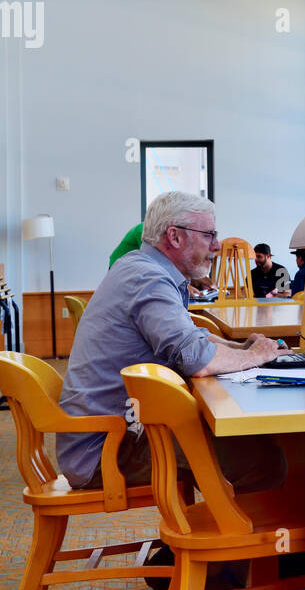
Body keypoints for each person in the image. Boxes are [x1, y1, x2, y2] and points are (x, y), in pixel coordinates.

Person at [59, 192, 286, 495]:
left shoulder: (142, 268)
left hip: (111, 435)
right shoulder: (147, 278)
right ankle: (214, 540)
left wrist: (242, 349)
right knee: (263, 460)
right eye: (209, 235)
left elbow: (190, 335)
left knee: (247, 443)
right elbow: (197, 359)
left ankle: (204, 538)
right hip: (107, 450)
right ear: (175, 237)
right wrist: (256, 356)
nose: (216, 245)